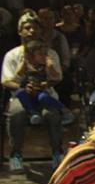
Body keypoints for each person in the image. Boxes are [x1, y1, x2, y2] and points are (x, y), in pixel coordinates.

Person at [2, 15, 66, 170]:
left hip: (44, 93)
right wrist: (22, 87)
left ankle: (57, 152)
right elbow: (6, 81)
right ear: (19, 31)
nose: (31, 31)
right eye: (27, 28)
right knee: (17, 112)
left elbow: (57, 78)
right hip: (20, 95)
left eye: (35, 28)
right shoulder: (12, 55)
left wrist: (44, 84)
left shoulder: (50, 54)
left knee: (51, 113)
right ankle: (16, 153)